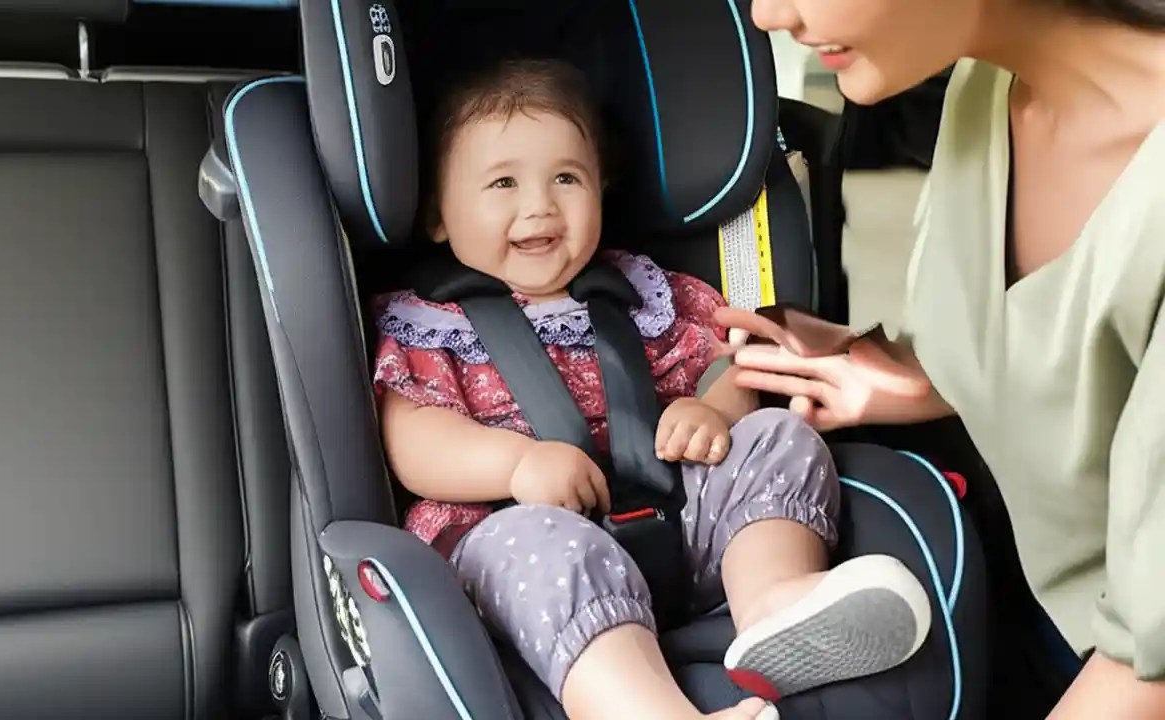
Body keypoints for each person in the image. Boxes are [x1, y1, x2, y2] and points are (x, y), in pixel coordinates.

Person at [371, 58, 931, 720]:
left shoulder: (646, 293)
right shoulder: (427, 327)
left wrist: (708, 409)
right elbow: (411, 439)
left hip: (677, 518)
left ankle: (774, 601)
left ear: (601, 189)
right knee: (548, 549)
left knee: (778, 435)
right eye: (502, 182)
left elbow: (726, 364)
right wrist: (516, 465)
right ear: (437, 213)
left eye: (566, 177)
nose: (539, 205)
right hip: (522, 550)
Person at [725, 1, 1165, 717]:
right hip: (1048, 618)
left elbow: (1149, 671)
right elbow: (1074, 351)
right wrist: (918, 376)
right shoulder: (987, 87)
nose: (772, 14)